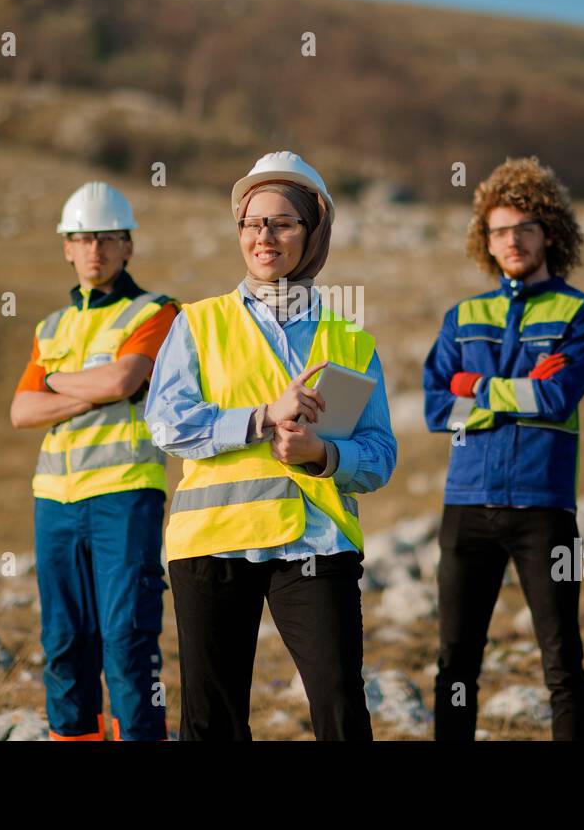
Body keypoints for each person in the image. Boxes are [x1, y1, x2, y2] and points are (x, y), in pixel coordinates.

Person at [145, 150, 397, 740]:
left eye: (282, 222)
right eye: (252, 223)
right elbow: (167, 423)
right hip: (214, 544)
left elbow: (380, 454)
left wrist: (323, 456)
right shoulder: (198, 323)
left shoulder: (350, 339)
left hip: (316, 544)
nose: (265, 236)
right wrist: (260, 417)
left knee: (340, 706)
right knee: (212, 722)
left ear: (312, 232)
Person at [423, 156, 584, 741]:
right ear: (486, 240)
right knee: (455, 661)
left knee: (561, 660)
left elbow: (556, 400)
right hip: (466, 504)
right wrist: (518, 390)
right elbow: (433, 408)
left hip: (543, 507)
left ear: (548, 232)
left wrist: (475, 388)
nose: (511, 240)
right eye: (499, 230)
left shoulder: (580, 313)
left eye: (523, 227)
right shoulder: (462, 317)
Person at [10, 181, 179, 741]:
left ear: (128, 245)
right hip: (54, 501)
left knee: (127, 641)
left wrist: (55, 383)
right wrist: (83, 391)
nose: (94, 250)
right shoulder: (51, 327)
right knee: (63, 642)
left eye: (107, 238)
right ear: (66, 246)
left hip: (125, 495)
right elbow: (20, 409)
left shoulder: (156, 311)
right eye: (81, 239)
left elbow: (125, 378)